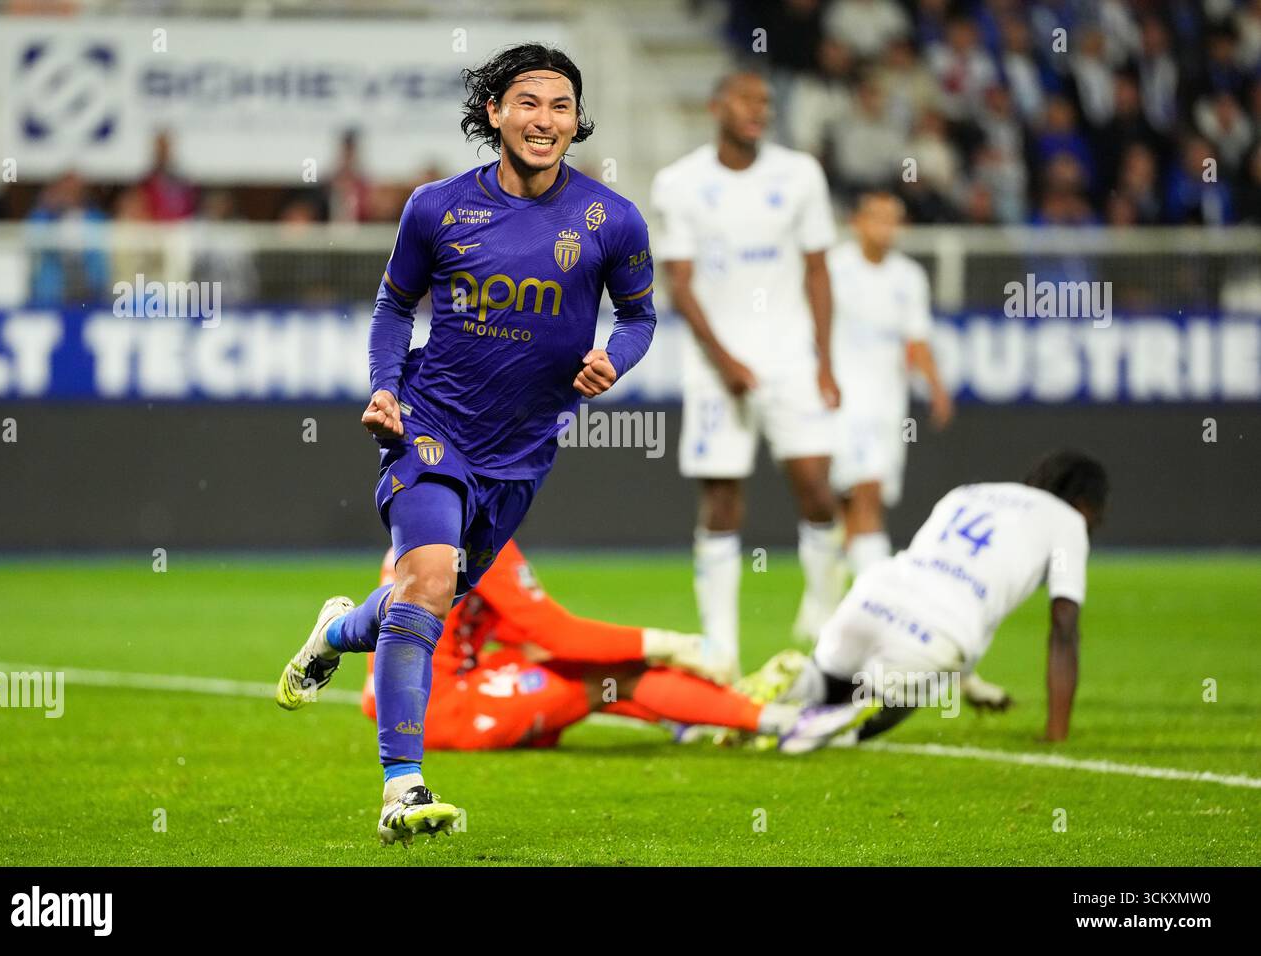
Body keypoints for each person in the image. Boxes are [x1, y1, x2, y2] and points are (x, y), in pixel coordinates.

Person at [274, 43, 657, 845]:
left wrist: (612, 360)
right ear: (495, 113)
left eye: (559, 106)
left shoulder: (611, 220)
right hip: (430, 427)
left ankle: (337, 632)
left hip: (523, 452)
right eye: (528, 103)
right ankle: (402, 788)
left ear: (575, 121)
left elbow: (641, 317)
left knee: (430, 594)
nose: (544, 120)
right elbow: (392, 307)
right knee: (429, 576)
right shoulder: (437, 208)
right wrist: (385, 386)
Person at [652, 70, 842, 675]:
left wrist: (826, 359)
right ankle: (722, 648)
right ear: (716, 106)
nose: (758, 110)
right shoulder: (680, 183)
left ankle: (823, 612)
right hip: (716, 367)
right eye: (746, 100)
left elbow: (817, 269)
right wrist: (726, 361)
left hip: (791, 358)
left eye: (765, 101)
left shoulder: (800, 175)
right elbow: (678, 285)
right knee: (722, 497)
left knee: (816, 485)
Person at [779, 450, 1108, 753]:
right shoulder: (1068, 521)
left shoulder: (966, 493)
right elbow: (1064, 624)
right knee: (843, 729)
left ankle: (772, 702)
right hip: (931, 637)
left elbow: (939, 576)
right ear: (1084, 504)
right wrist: (1056, 732)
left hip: (869, 599)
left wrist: (966, 679)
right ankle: (821, 726)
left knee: (818, 689)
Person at [357, 542, 804, 751]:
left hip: (407, 709)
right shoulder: (474, 535)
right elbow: (557, 634)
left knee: (582, 668)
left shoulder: (421, 525)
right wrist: (670, 644)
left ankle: (697, 718)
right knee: (613, 676)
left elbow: (527, 639)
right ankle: (775, 721)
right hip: (446, 714)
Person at [827, 191, 952, 582]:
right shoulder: (832, 269)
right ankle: (876, 588)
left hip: (888, 402)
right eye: (878, 218)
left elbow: (916, 339)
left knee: (862, 498)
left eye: (894, 219)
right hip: (843, 398)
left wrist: (936, 386)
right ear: (858, 223)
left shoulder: (909, 277)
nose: (887, 227)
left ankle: (832, 582)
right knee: (864, 491)